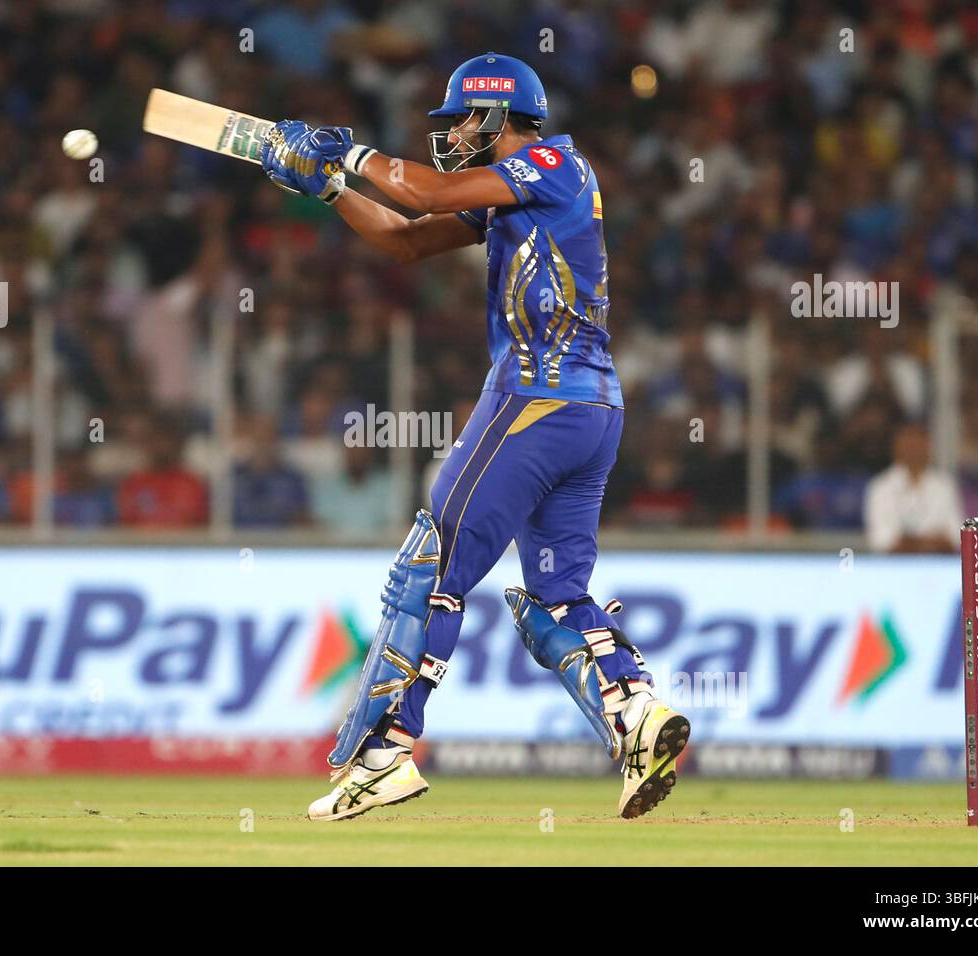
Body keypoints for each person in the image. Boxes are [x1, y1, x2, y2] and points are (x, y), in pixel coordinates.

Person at [262, 53, 690, 821]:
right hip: (593, 416)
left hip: (535, 397)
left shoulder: (554, 161)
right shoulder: (506, 196)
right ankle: (635, 715)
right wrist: (329, 187)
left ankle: (383, 753)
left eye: (463, 118)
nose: (455, 131)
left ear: (499, 115)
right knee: (554, 599)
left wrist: (348, 151)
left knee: (432, 563)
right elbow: (405, 237)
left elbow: (419, 189)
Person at [864, 422, 963, 553]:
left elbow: (956, 536)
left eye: (919, 442)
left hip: (937, 567)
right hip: (893, 568)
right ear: (895, 447)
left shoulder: (944, 485)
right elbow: (880, 540)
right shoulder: (880, 487)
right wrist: (929, 541)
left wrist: (910, 542)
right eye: (908, 442)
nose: (914, 448)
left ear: (928, 445)